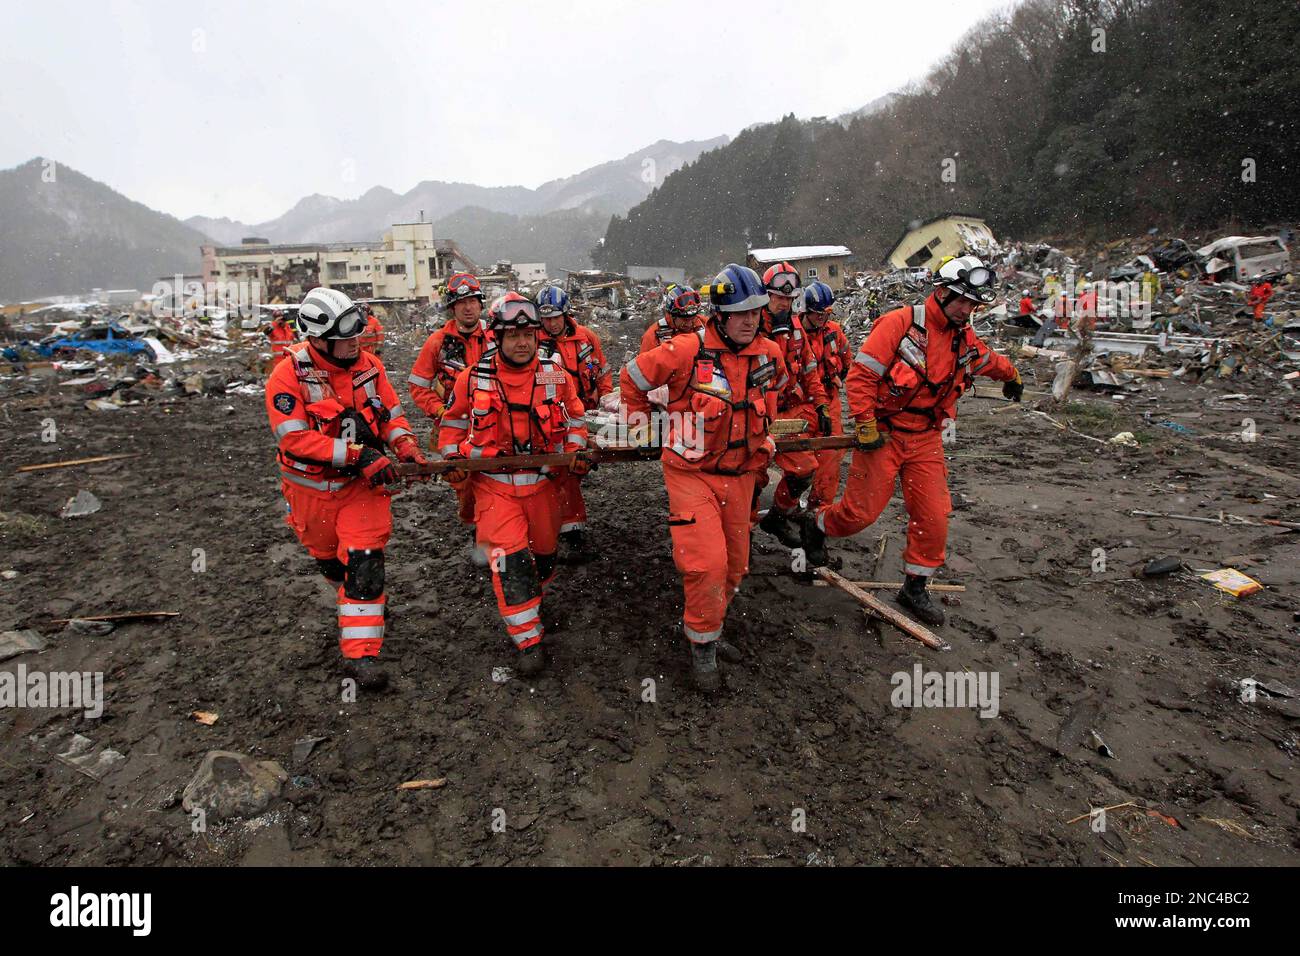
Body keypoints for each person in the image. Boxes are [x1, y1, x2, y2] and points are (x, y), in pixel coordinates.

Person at [798, 256, 1022, 626]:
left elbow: (985, 359)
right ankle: (816, 524)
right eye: (963, 301)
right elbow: (861, 376)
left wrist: (1011, 375)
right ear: (942, 293)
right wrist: (866, 425)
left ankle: (915, 587)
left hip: (926, 438)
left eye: (973, 304)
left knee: (933, 516)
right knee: (859, 515)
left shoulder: (962, 336)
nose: (968, 310)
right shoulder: (900, 323)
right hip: (885, 435)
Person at [620, 264, 784, 692]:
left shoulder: (769, 354)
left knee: (735, 567)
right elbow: (632, 377)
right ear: (720, 314)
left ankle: (709, 627)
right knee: (707, 565)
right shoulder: (684, 350)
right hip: (691, 473)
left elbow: (767, 401)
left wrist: (763, 441)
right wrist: (640, 425)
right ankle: (702, 648)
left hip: (742, 474)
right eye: (741, 312)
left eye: (757, 311)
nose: (751, 320)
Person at [265, 287, 427, 691]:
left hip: (362, 488)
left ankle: (361, 656)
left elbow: (390, 413)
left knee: (365, 562)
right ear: (318, 339)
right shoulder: (287, 376)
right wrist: (357, 453)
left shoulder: (369, 366)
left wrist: (405, 444)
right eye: (346, 335)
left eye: (357, 331)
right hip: (311, 494)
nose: (356, 340)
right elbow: (294, 439)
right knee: (329, 564)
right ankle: (358, 603)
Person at [436, 292, 588, 675]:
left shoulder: (554, 373)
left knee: (544, 558)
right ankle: (527, 641)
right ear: (498, 338)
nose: (522, 342)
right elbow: (452, 425)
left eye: (529, 334)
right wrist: (453, 457)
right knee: (511, 564)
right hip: (495, 488)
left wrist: (574, 453)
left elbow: (576, 419)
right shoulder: (473, 378)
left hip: (544, 487)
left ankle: (533, 605)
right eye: (513, 335)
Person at [408, 273, 496, 555]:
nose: (468, 308)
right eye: (461, 303)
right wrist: (441, 411)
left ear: (480, 305)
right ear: (452, 307)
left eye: (472, 301)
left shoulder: (498, 336)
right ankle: (476, 527)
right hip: (456, 425)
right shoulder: (437, 343)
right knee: (463, 480)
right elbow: (418, 386)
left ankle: (495, 527)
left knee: (500, 474)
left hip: (496, 421)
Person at [534, 284, 612, 561]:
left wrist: (605, 398)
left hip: (587, 414)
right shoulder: (533, 342)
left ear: (566, 314)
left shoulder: (586, 338)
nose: (551, 323)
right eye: (546, 318)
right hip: (553, 417)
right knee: (561, 473)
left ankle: (563, 526)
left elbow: (601, 370)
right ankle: (569, 533)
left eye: (555, 317)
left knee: (572, 471)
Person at [755, 262, 829, 547]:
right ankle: (741, 537)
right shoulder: (749, 325)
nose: (784, 303)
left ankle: (776, 515)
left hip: (789, 411)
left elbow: (809, 369)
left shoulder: (795, 325)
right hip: (757, 413)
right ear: (766, 295)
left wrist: (821, 405)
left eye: (789, 298)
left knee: (803, 471)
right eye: (779, 297)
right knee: (751, 479)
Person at [800, 281, 850, 507]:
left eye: (827, 313)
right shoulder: (793, 335)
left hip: (829, 400)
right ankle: (785, 504)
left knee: (830, 458)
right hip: (799, 404)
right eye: (819, 313)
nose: (823, 318)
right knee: (798, 462)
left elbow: (846, 360)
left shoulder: (834, 331)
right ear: (807, 310)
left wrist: (835, 380)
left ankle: (818, 508)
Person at [639, 284, 706, 354]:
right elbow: (643, 363)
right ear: (672, 315)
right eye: (685, 320)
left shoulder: (705, 324)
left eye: (693, 318)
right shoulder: (652, 337)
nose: (689, 324)